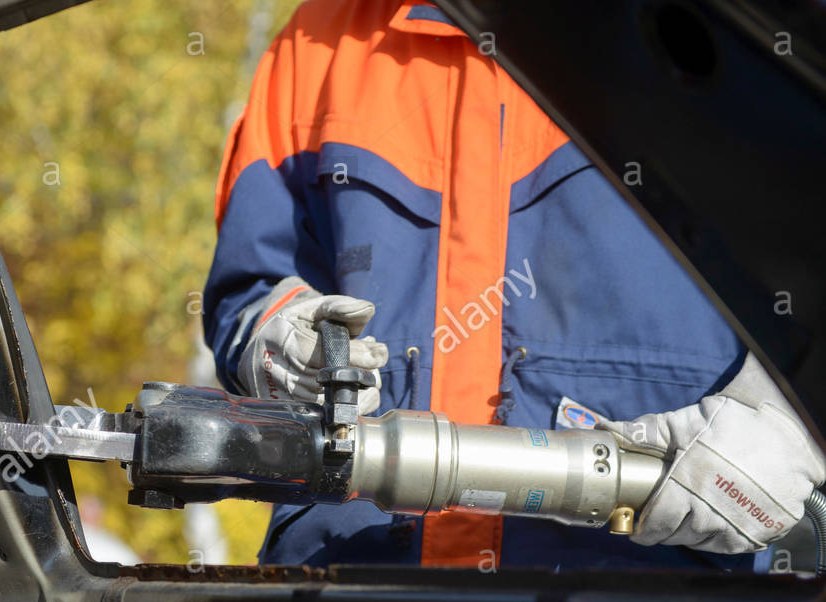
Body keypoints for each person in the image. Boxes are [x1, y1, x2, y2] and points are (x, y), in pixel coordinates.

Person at [202, 0, 824, 571]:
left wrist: (791, 428)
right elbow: (249, 288)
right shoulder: (322, 44)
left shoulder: (754, 26)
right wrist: (279, 339)